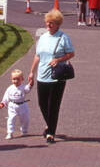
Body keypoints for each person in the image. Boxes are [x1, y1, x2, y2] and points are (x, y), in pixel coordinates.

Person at [30, 8, 74, 142]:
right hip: (42, 75)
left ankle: (51, 133)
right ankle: (49, 124)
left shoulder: (63, 37)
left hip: (56, 77)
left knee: (53, 105)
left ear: (58, 24)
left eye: (52, 23)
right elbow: (37, 55)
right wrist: (32, 72)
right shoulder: (43, 37)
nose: (48, 25)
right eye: (47, 22)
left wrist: (58, 59)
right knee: (42, 104)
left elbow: (71, 54)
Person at [0, 68, 31, 139]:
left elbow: (28, 89)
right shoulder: (10, 88)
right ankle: (10, 132)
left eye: (17, 79)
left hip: (22, 105)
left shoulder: (23, 87)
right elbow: (6, 97)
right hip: (12, 106)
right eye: (14, 79)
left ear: (22, 79)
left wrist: (31, 83)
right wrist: (3, 103)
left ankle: (24, 131)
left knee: (25, 119)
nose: (15, 81)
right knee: (11, 119)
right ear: (11, 79)